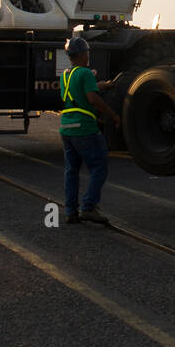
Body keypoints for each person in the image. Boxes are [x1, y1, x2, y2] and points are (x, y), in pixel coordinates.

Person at [59, 36, 120, 224]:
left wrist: (100, 85)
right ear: (84, 54)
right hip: (83, 127)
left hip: (66, 127)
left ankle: (71, 211)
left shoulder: (65, 75)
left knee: (72, 170)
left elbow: (78, 94)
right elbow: (92, 99)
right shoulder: (85, 73)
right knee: (99, 167)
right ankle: (88, 207)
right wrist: (114, 116)